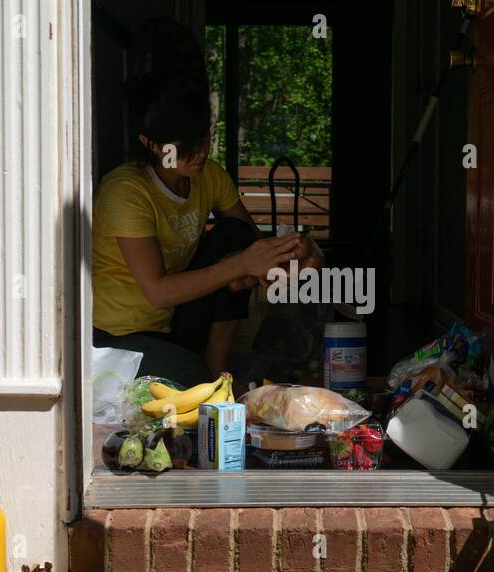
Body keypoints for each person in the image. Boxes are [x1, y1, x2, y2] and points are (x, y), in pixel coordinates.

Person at [92, 20, 323, 387]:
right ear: (151, 144)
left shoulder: (208, 176)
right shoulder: (125, 192)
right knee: (187, 376)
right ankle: (206, 379)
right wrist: (240, 265)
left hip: (177, 319)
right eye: (186, 147)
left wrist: (294, 252)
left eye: (204, 140)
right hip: (120, 337)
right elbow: (157, 291)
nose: (200, 155)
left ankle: (217, 374)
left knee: (233, 235)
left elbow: (250, 244)